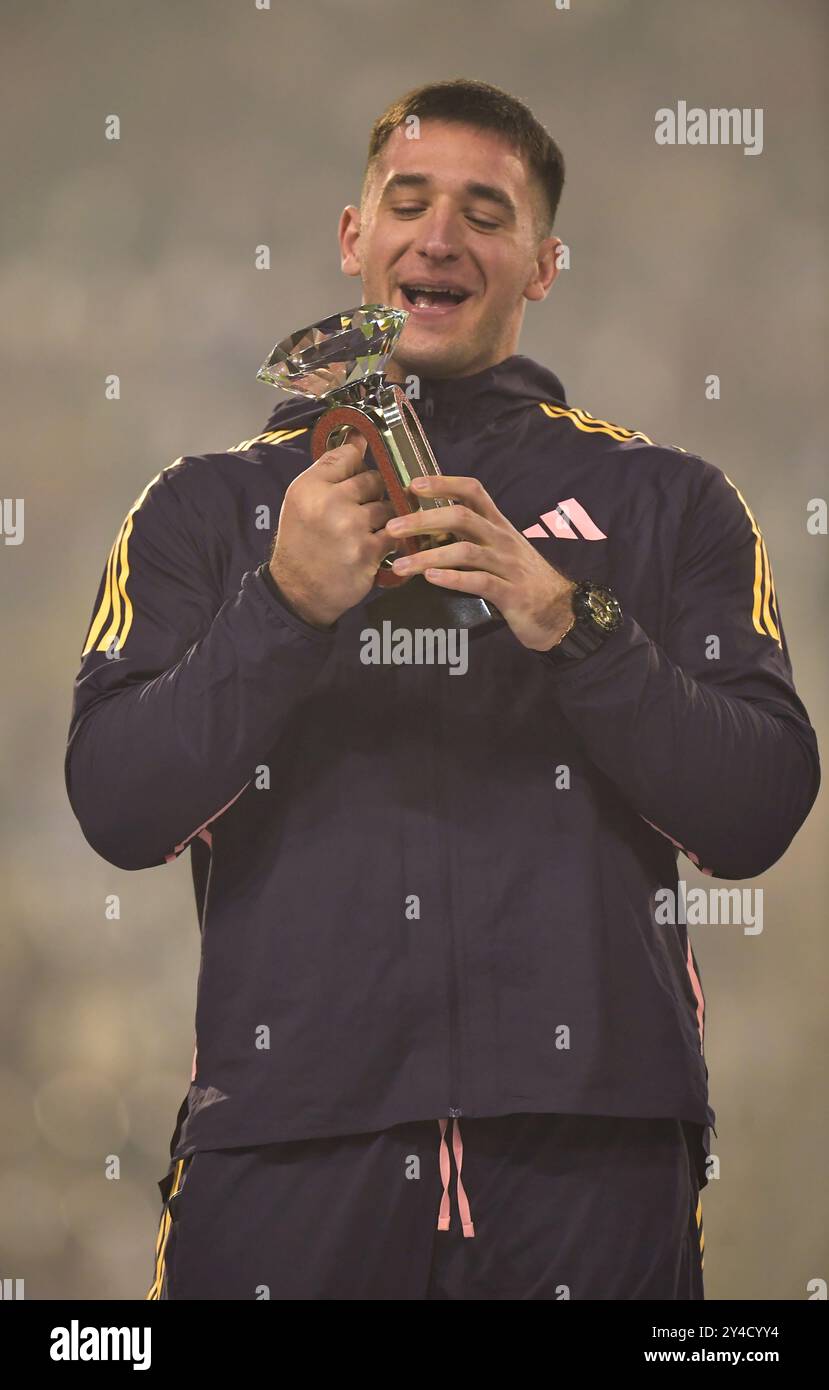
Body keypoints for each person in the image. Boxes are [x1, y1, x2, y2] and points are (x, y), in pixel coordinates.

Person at [65, 78, 819, 1300]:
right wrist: (283, 608)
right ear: (354, 235)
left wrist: (573, 625)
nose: (441, 236)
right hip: (287, 1141)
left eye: (487, 211)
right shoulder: (205, 508)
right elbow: (115, 805)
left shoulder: (666, 500)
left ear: (541, 262)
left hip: (595, 1148)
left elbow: (759, 808)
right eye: (407, 203)